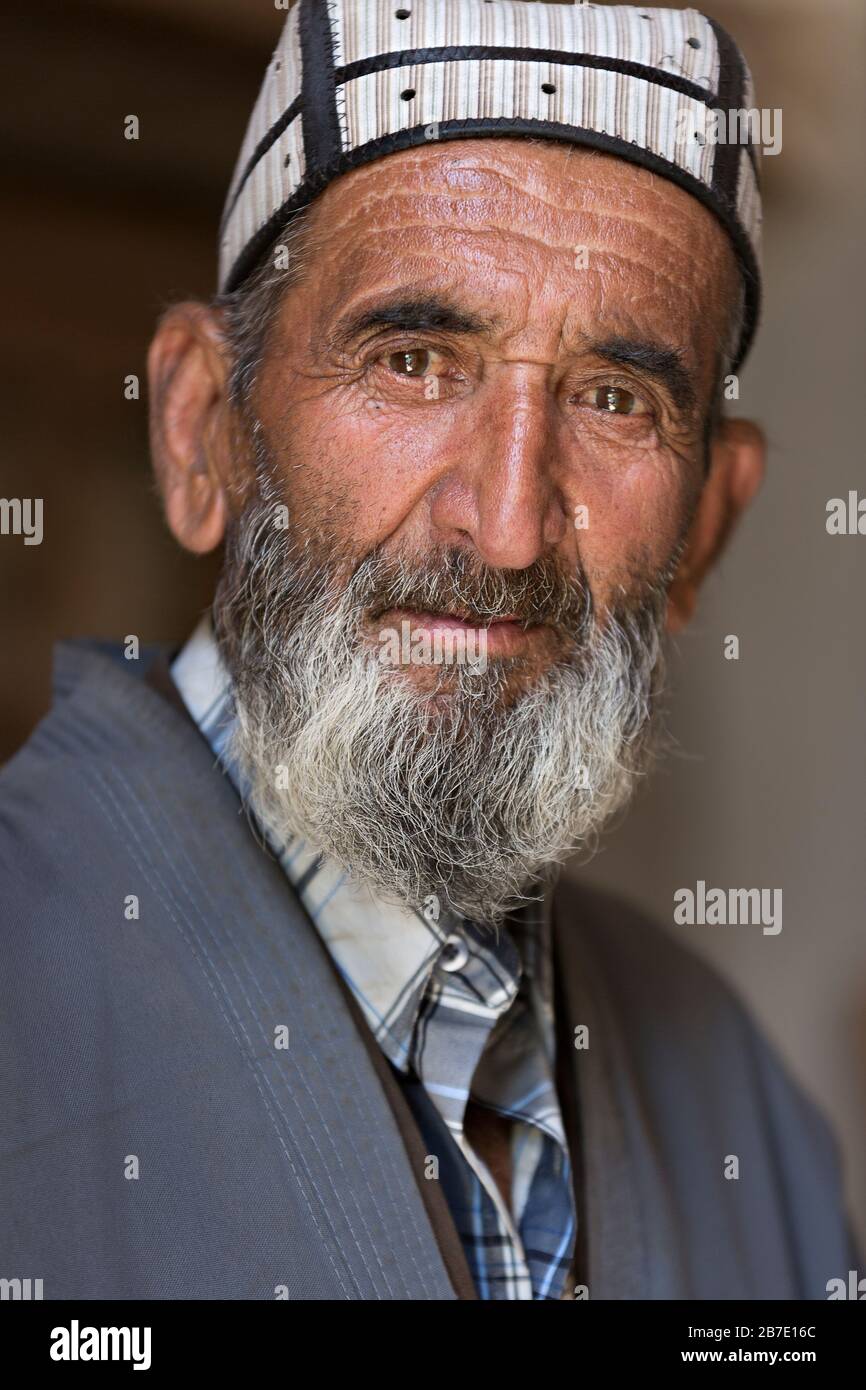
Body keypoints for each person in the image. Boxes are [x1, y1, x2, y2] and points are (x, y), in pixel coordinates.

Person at [0, 0, 859, 1300]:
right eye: (411, 360)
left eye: (616, 398)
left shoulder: (739, 1105)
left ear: (700, 532)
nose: (506, 524)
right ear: (201, 433)